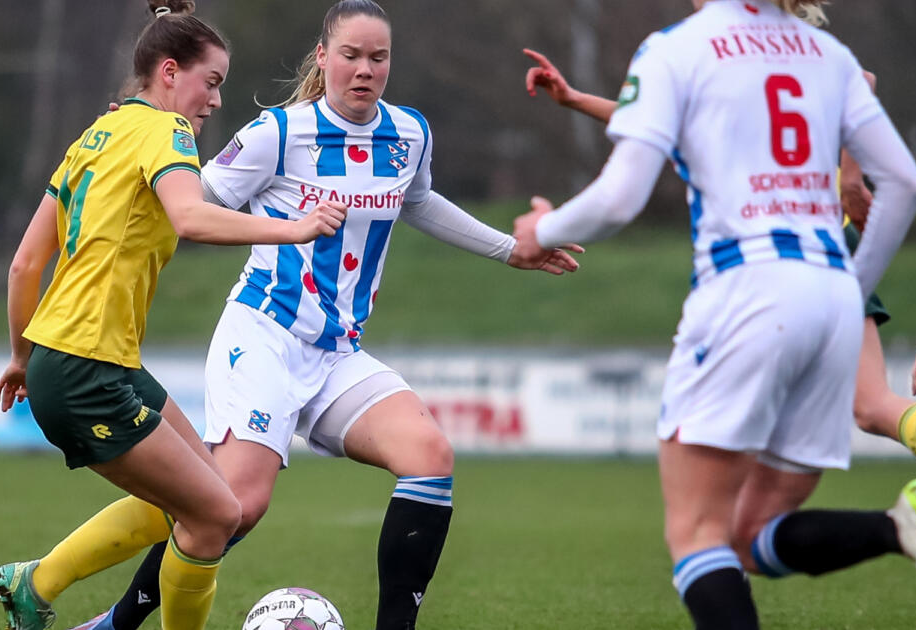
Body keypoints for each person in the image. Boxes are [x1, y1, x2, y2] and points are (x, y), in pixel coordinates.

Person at [69, 2, 580, 630]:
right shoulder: (277, 133)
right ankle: (116, 624)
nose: (365, 70)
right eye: (351, 55)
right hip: (263, 336)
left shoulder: (410, 133)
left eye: (378, 57)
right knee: (234, 505)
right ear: (323, 58)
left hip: (337, 351)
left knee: (429, 455)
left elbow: (420, 203)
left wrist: (511, 250)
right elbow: (192, 203)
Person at [512, 1, 916, 628]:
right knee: (749, 534)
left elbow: (621, 196)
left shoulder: (679, 46)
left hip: (747, 286)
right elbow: (906, 184)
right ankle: (904, 526)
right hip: (832, 293)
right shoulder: (828, 55)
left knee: (697, 535)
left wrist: (543, 228)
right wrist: (849, 285)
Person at [0, 2, 347, 629]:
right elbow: (191, 216)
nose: (214, 100)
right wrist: (297, 227)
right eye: (211, 82)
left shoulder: (93, 137)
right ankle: (44, 586)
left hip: (84, 361)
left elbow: (23, 266)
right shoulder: (166, 133)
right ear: (171, 72)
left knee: (207, 498)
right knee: (215, 516)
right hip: (84, 371)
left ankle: (36, 583)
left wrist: (22, 356)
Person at [522, 48, 916, 458]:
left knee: (719, 432)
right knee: (869, 408)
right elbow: (864, 81)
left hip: (770, 253)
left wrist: (545, 229)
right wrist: (850, 179)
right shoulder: (801, 53)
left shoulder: (721, 47)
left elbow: (636, 163)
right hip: (824, 239)